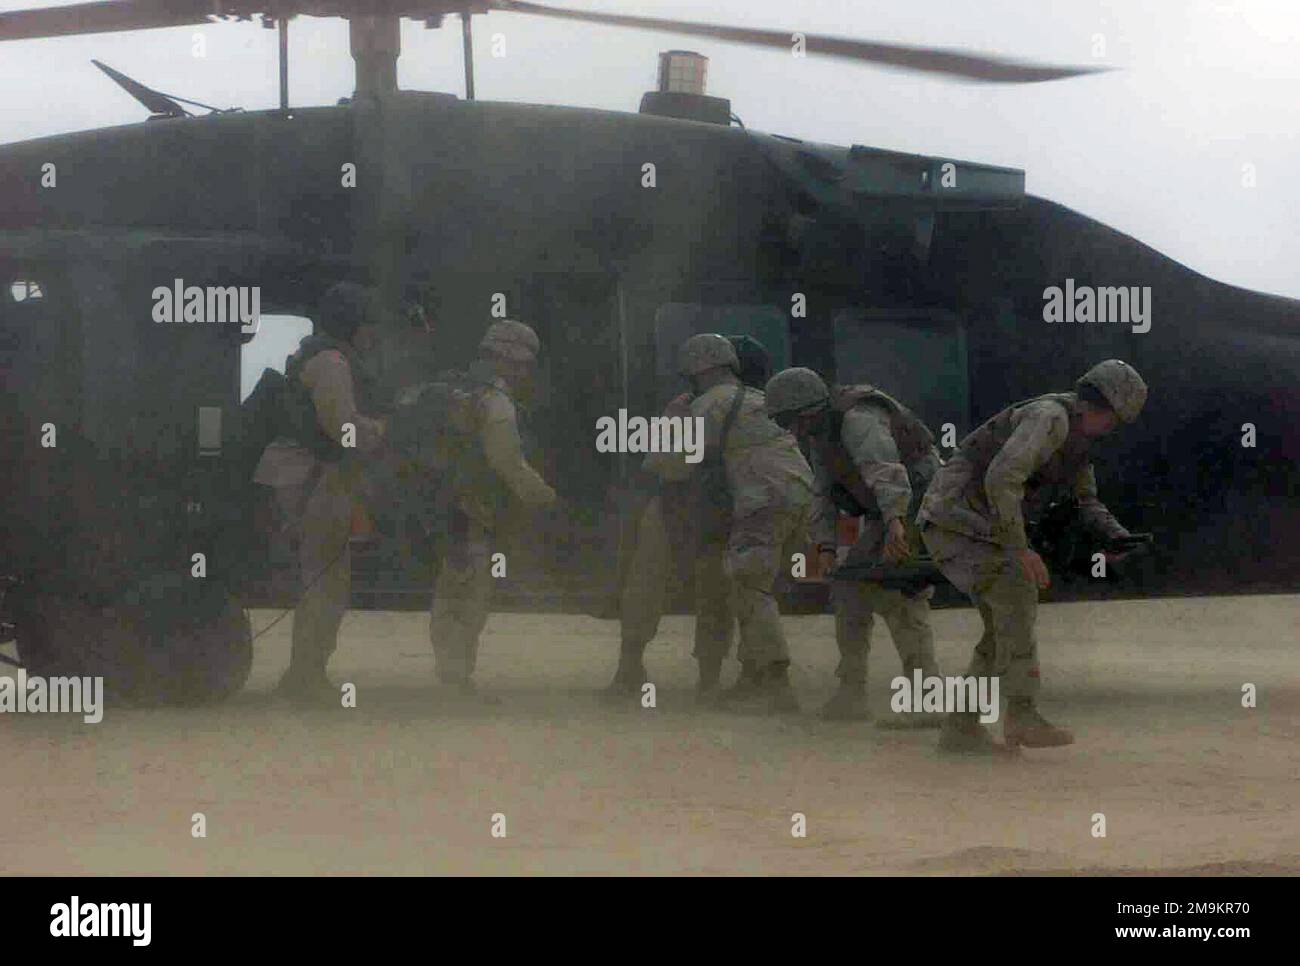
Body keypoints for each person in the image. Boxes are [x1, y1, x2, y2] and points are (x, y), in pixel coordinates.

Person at [917, 359, 1148, 752]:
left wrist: (1116, 535)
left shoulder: (1075, 437)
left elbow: (1084, 498)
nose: (1112, 430)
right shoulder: (1050, 418)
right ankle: (1021, 714)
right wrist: (1019, 548)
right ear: (1105, 409)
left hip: (975, 525)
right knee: (1017, 590)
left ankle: (961, 729)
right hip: (956, 522)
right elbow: (1001, 478)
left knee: (1002, 626)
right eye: (1114, 420)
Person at [645, 334, 813, 714]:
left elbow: (668, 465)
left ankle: (776, 681)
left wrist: (672, 418)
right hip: (800, 498)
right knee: (757, 587)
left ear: (697, 370)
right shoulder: (758, 398)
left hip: (763, 500)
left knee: (748, 585)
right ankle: (751, 676)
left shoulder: (708, 406)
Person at [764, 367, 943, 724]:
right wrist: (825, 547)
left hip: (922, 504)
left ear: (809, 411)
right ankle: (851, 694)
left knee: (899, 593)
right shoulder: (821, 433)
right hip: (893, 510)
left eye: (792, 420)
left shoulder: (859, 420)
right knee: (848, 588)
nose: (791, 431)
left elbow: (886, 471)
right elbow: (823, 492)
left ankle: (927, 701)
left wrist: (896, 524)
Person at [605, 335, 773, 700]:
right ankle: (709, 682)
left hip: (675, 507)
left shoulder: (696, 407)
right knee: (716, 596)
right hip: (726, 515)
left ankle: (628, 669)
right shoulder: (761, 405)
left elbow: (661, 463)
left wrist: (670, 419)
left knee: (645, 588)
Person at [254, 281, 387, 705]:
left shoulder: (317, 357)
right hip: (314, 481)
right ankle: (305, 679)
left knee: (321, 581)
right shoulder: (332, 363)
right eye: (367, 324)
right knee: (326, 584)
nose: (373, 334)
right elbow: (343, 429)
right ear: (353, 325)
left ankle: (304, 675)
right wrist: (384, 430)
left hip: (304, 478)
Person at [430, 319, 557, 696]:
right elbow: (508, 463)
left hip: (440, 507)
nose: (525, 372)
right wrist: (545, 497)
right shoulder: (495, 401)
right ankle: (455, 680)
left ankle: (451, 673)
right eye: (521, 363)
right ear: (505, 359)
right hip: (473, 512)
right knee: (470, 594)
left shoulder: (452, 388)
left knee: (452, 588)